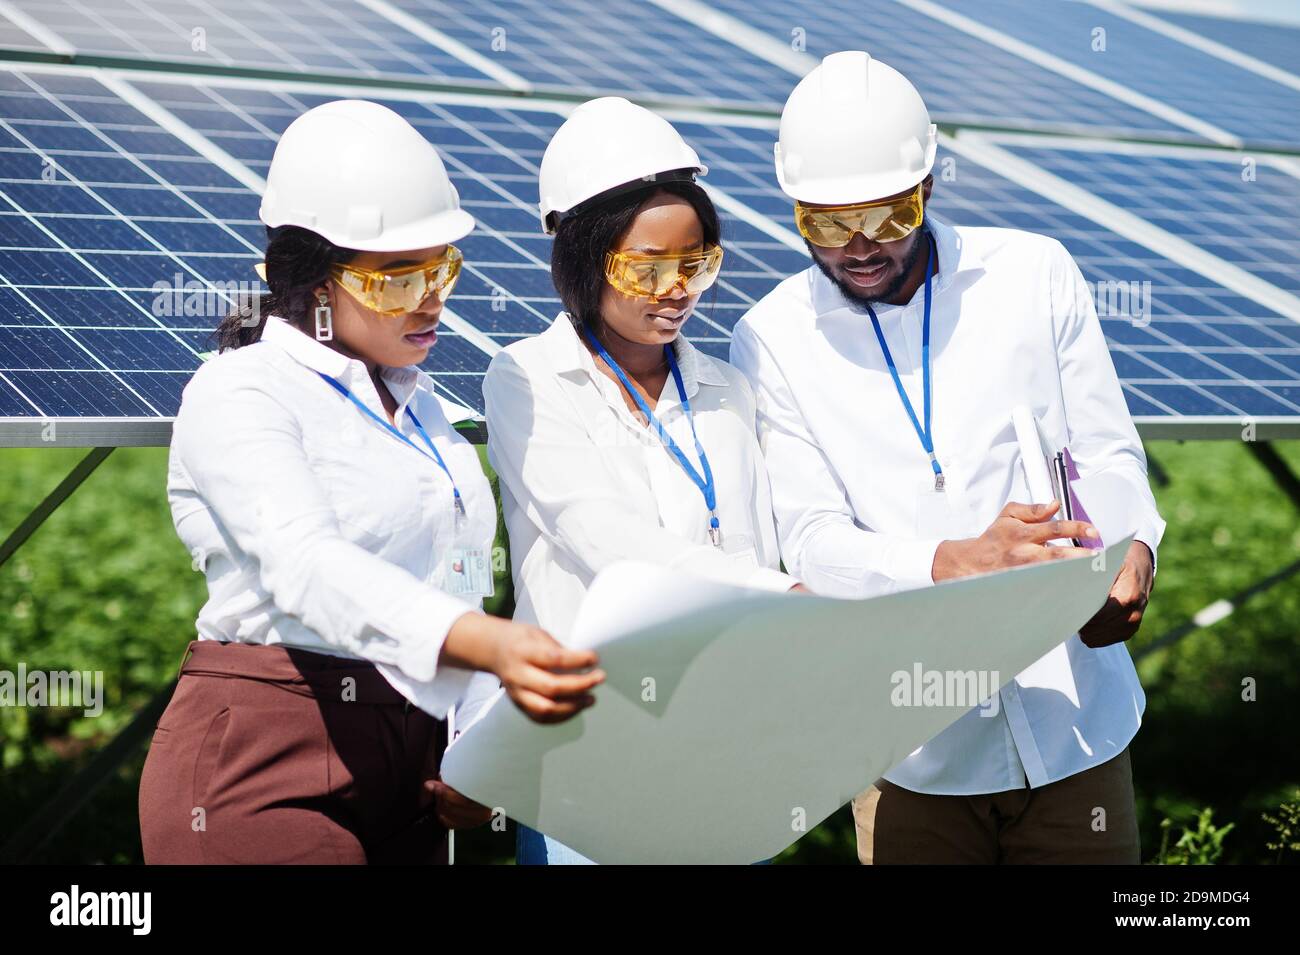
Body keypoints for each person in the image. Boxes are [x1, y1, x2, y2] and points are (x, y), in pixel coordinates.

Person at [139, 100, 603, 864]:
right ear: (312, 279)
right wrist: (486, 644)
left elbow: (456, 581)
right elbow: (305, 562)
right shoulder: (242, 391)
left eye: (442, 268)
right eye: (397, 278)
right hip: (262, 757)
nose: (432, 298)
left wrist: (477, 747)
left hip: (410, 768)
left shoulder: (424, 411)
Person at [730, 51, 1166, 864]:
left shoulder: (1034, 275)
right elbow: (813, 537)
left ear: (928, 185)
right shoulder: (770, 339)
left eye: (887, 216)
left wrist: (1134, 546)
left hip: (1074, 721)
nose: (858, 245)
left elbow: (1106, 450)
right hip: (911, 755)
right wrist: (947, 562)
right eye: (826, 222)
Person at [478, 97, 806, 864]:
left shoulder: (729, 386)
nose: (676, 289)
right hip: (593, 753)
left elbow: (765, 533)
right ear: (584, 257)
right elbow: (606, 542)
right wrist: (769, 592)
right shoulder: (527, 378)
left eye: (696, 263)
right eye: (645, 267)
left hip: (725, 748)